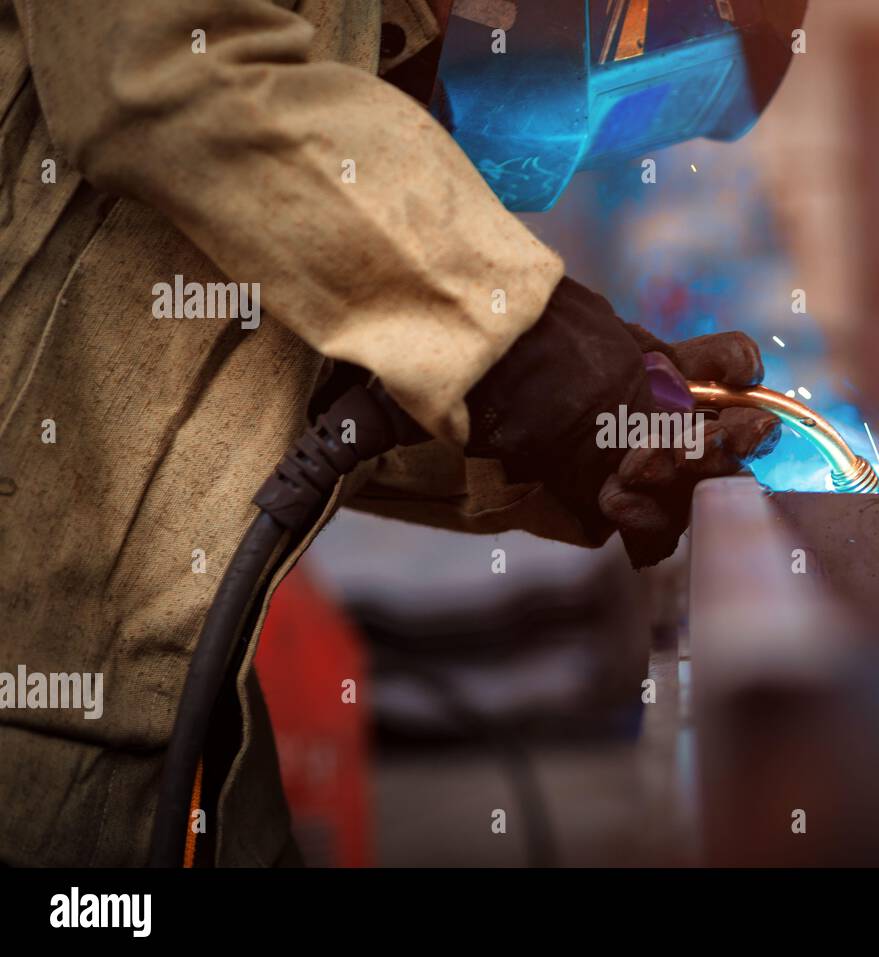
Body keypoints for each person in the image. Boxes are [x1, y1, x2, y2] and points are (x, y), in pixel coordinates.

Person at [0, 0, 780, 865]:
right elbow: (151, 58)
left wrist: (548, 435)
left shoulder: (349, 51)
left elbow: (266, 375)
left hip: (176, 763)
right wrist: (514, 335)